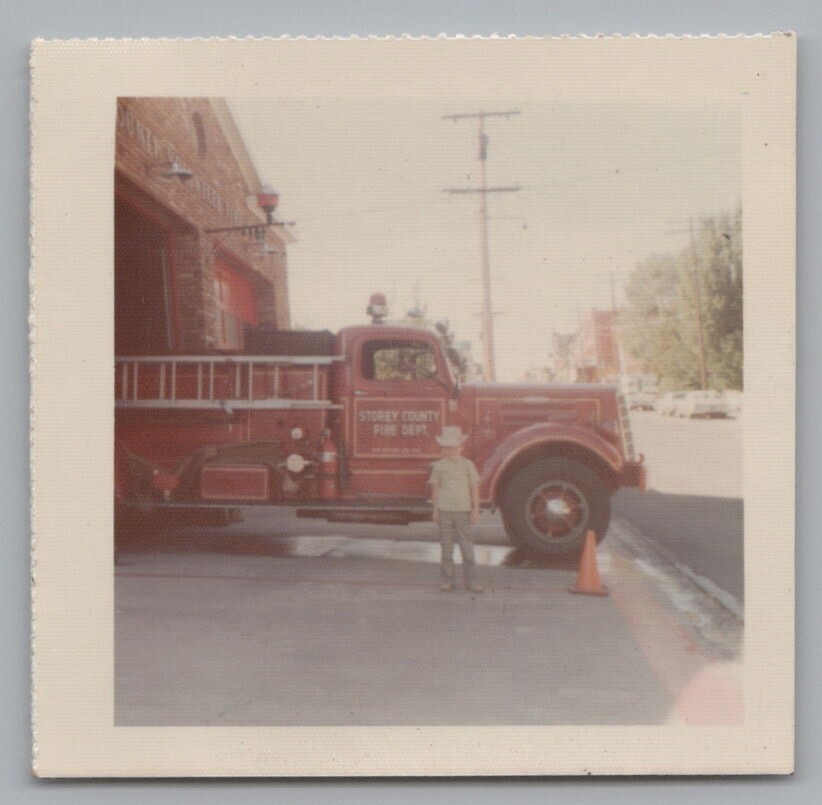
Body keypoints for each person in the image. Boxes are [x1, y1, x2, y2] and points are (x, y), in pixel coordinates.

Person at [428, 426, 483, 593]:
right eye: (447, 447)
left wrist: (475, 510)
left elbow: (474, 488)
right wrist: (435, 510)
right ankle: (447, 581)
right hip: (445, 511)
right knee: (446, 548)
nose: (451, 450)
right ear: (442, 448)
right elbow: (435, 489)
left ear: (461, 447)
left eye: (454, 446)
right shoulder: (438, 466)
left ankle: (471, 582)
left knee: (467, 547)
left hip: (463, 511)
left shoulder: (468, 465)